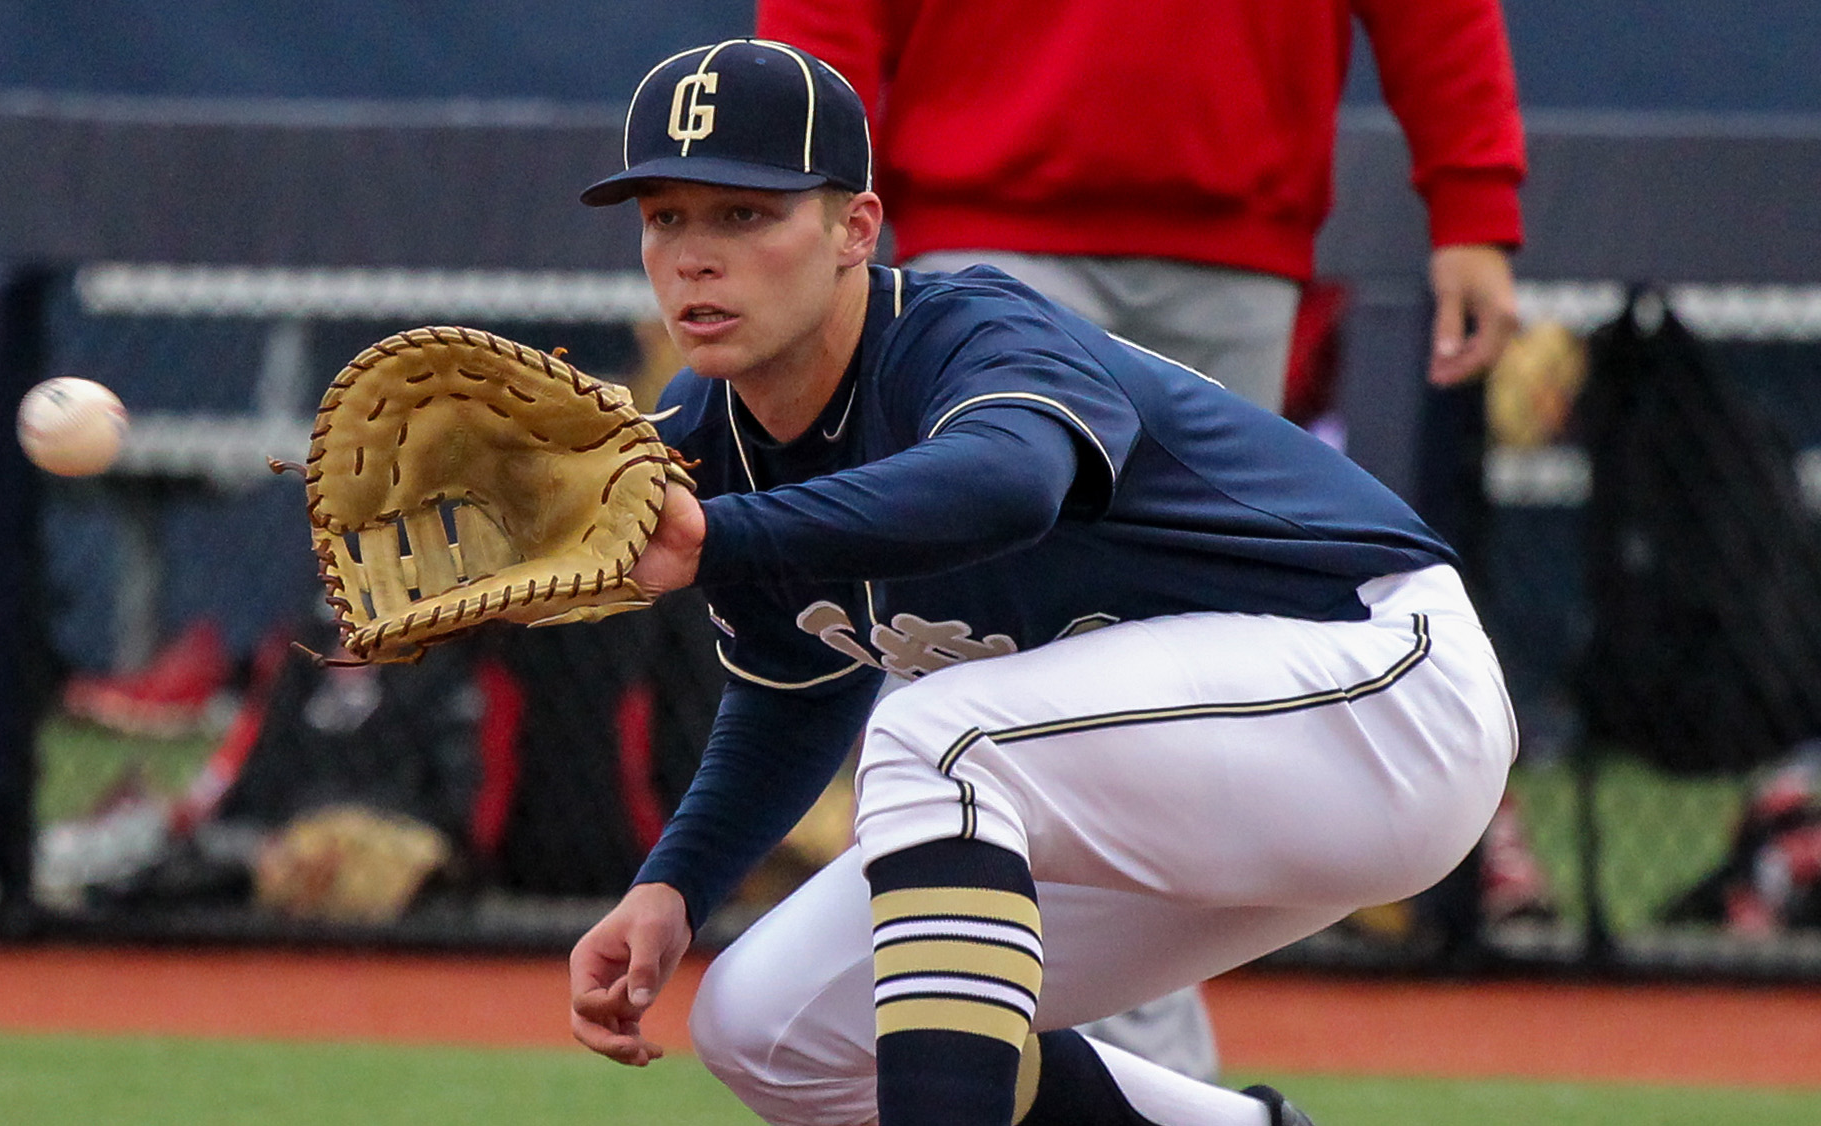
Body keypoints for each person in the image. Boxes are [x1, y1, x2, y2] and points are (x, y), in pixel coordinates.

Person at [568, 40, 1517, 1126]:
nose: (693, 255)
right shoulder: (707, 443)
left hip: (1379, 686)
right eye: (665, 217)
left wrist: (726, 536)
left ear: (853, 230)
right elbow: (795, 684)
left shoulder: (967, 332)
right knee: (770, 1024)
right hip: (1187, 767)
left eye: (744, 215)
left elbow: (1007, 481)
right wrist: (674, 884)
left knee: (936, 737)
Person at [756, 0, 1528, 415]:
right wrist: (805, 197)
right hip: (985, 248)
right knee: (986, 605)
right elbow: (824, 20)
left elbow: (1437, 15)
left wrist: (1475, 205)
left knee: (1207, 624)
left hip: (1235, 264)